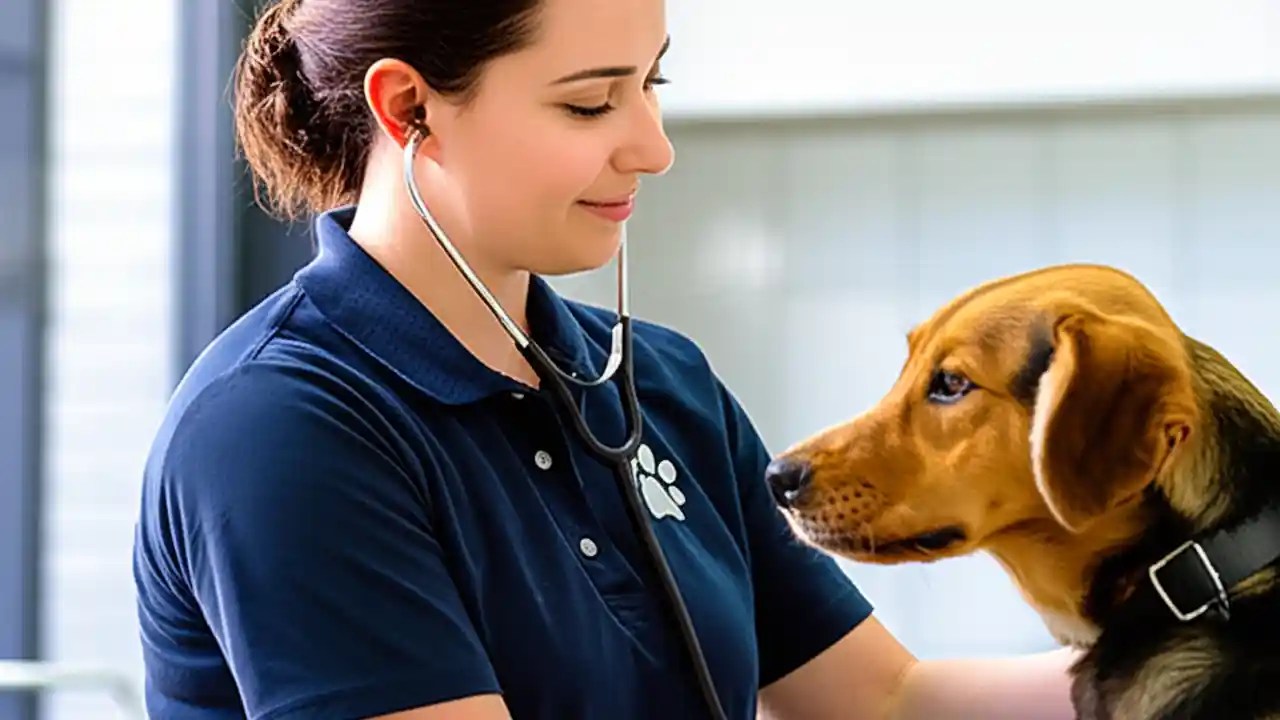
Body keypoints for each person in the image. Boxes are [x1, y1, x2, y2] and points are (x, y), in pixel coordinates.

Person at [131, 0, 1080, 718]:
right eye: (590, 104)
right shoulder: (279, 431)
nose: (654, 147)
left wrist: (1193, 669)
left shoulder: (658, 383)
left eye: (649, 86)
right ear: (410, 106)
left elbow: (886, 697)